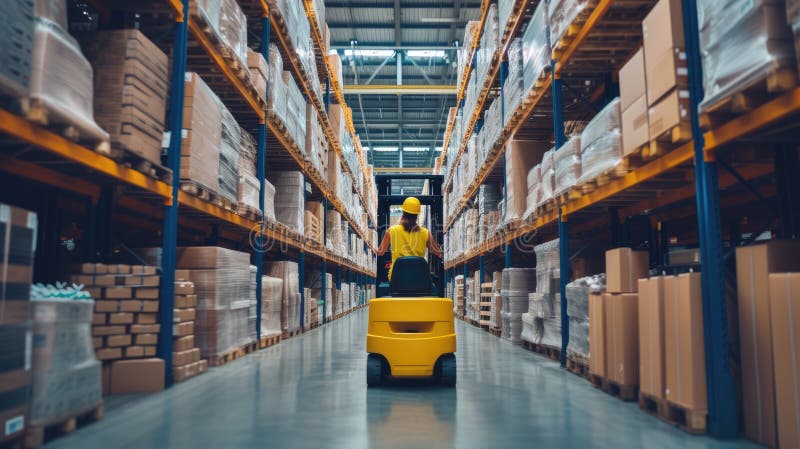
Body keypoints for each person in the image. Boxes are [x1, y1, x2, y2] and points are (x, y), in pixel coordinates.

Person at [376, 196, 443, 280]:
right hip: (419, 278)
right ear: (417, 215)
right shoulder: (425, 233)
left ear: (403, 212)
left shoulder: (391, 231)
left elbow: (380, 252)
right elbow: (438, 252)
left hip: (397, 278)